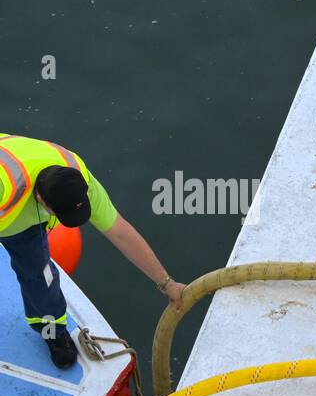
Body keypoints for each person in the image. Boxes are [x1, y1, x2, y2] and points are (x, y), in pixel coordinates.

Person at [0, 133, 187, 369]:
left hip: (21, 221)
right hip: (8, 203)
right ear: (41, 200)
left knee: (41, 275)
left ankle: (52, 332)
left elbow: (121, 232)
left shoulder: (77, 179)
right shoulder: (5, 185)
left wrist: (167, 284)